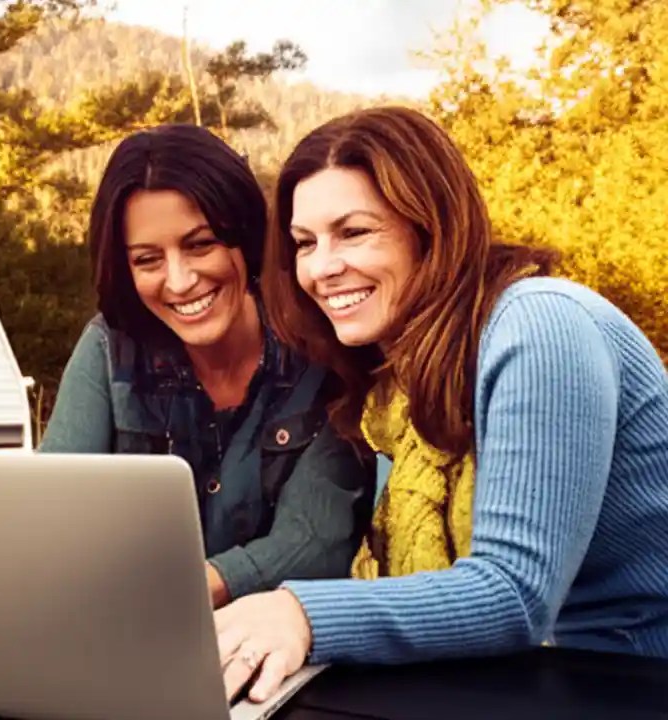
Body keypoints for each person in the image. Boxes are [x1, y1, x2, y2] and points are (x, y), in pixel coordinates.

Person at [215, 105, 668, 703]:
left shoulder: (539, 324)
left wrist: (301, 614)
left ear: (431, 228)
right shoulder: (392, 385)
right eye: (305, 243)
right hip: (530, 679)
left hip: (629, 675)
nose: (322, 267)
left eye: (354, 232)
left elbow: (515, 592)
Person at [39, 124, 375, 610]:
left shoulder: (320, 349)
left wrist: (174, 590)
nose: (179, 281)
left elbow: (316, 541)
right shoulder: (109, 349)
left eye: (200, 245)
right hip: (123, 638)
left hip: (279, 654)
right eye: (147, 259)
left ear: (246, 237)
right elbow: (52, 516)